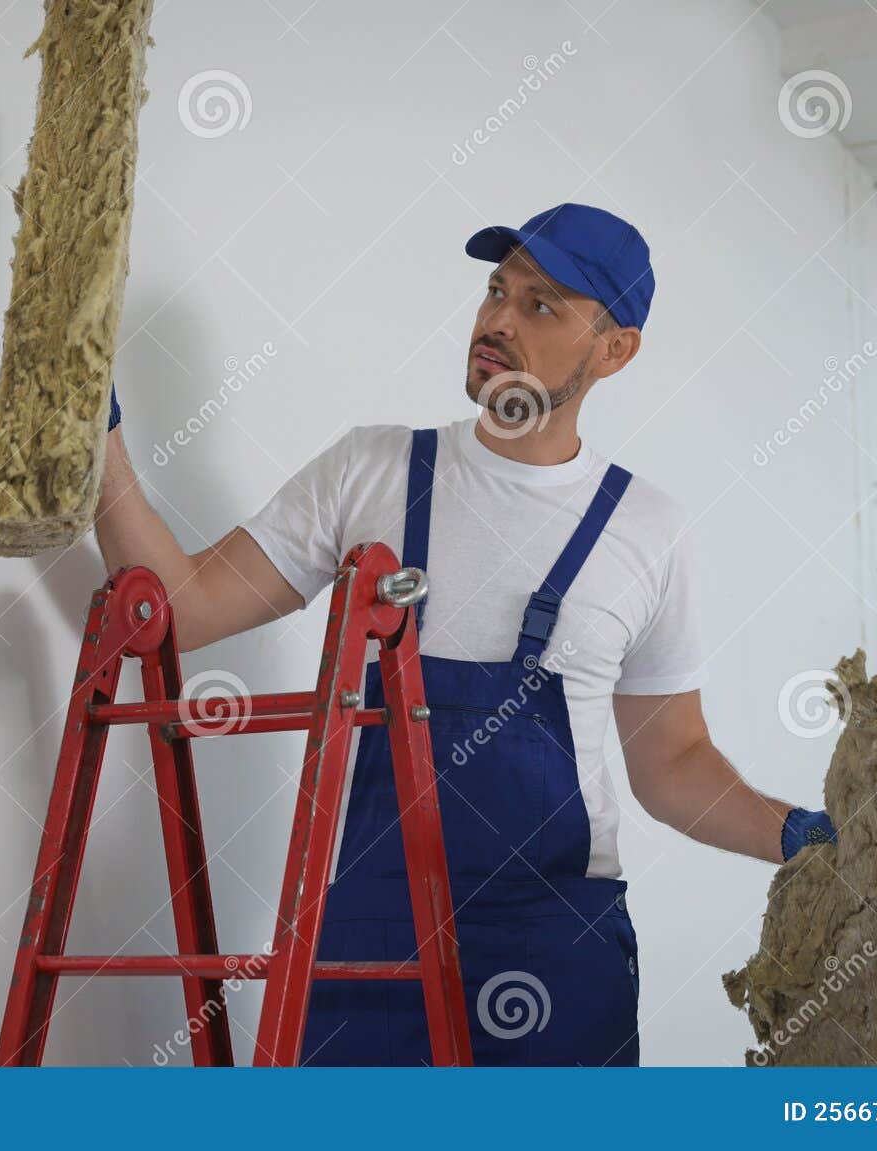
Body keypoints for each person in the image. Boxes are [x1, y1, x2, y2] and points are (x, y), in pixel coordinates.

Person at [92, 202, 836, 1066]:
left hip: (555, 955)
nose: (498, 321)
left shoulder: (645, 527)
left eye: (542, 305)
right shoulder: (370, 470)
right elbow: (182, 609)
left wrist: (794, 833)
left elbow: (671, 764)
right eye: (496, 291)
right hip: (371, 942)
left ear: (615, 349)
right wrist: (98, 434)